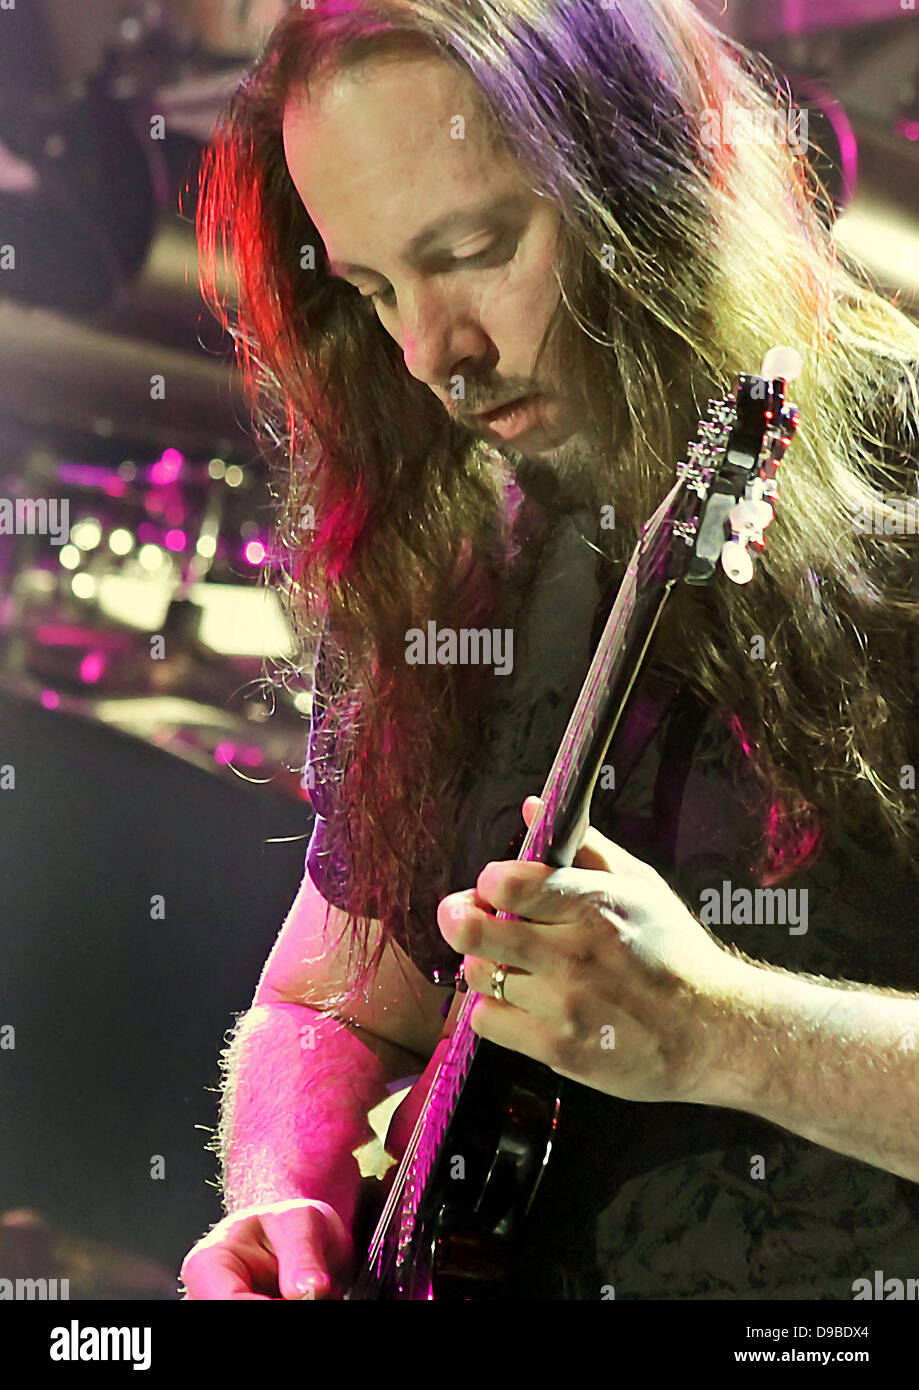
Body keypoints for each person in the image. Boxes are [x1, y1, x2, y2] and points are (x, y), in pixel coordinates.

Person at [181, 0, 919, 1300]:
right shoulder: (451, 525)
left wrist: (724, 1034)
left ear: (653, 179)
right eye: (373, 287)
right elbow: (330, 999)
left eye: (473, 251)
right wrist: (283, 1190)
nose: (430, 356)